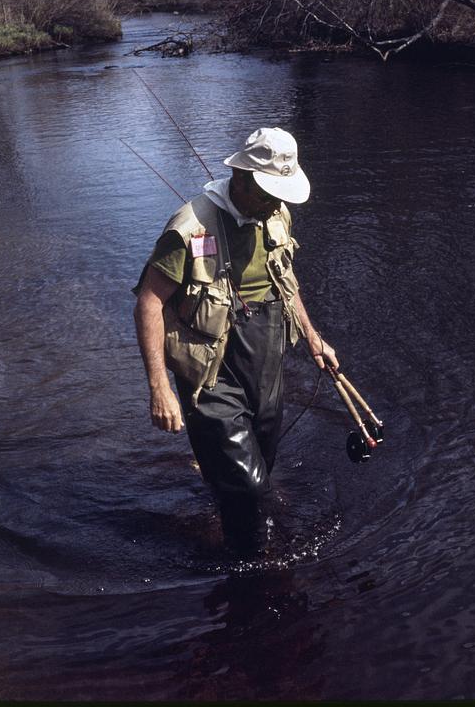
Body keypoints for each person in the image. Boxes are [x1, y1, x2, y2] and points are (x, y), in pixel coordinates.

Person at [133, 127, 339, 551]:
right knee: (250, 487)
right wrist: (158, 389)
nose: (275, 204)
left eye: (280, 194)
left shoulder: (276, 214)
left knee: (260, 462)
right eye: (267, 193)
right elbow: (149, 303)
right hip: (209, 369)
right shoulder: (189, 228)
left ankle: (236, 519)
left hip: (265, 354)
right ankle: (249, 569)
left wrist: (314, 338)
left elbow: (286, 280)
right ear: (241, 178)